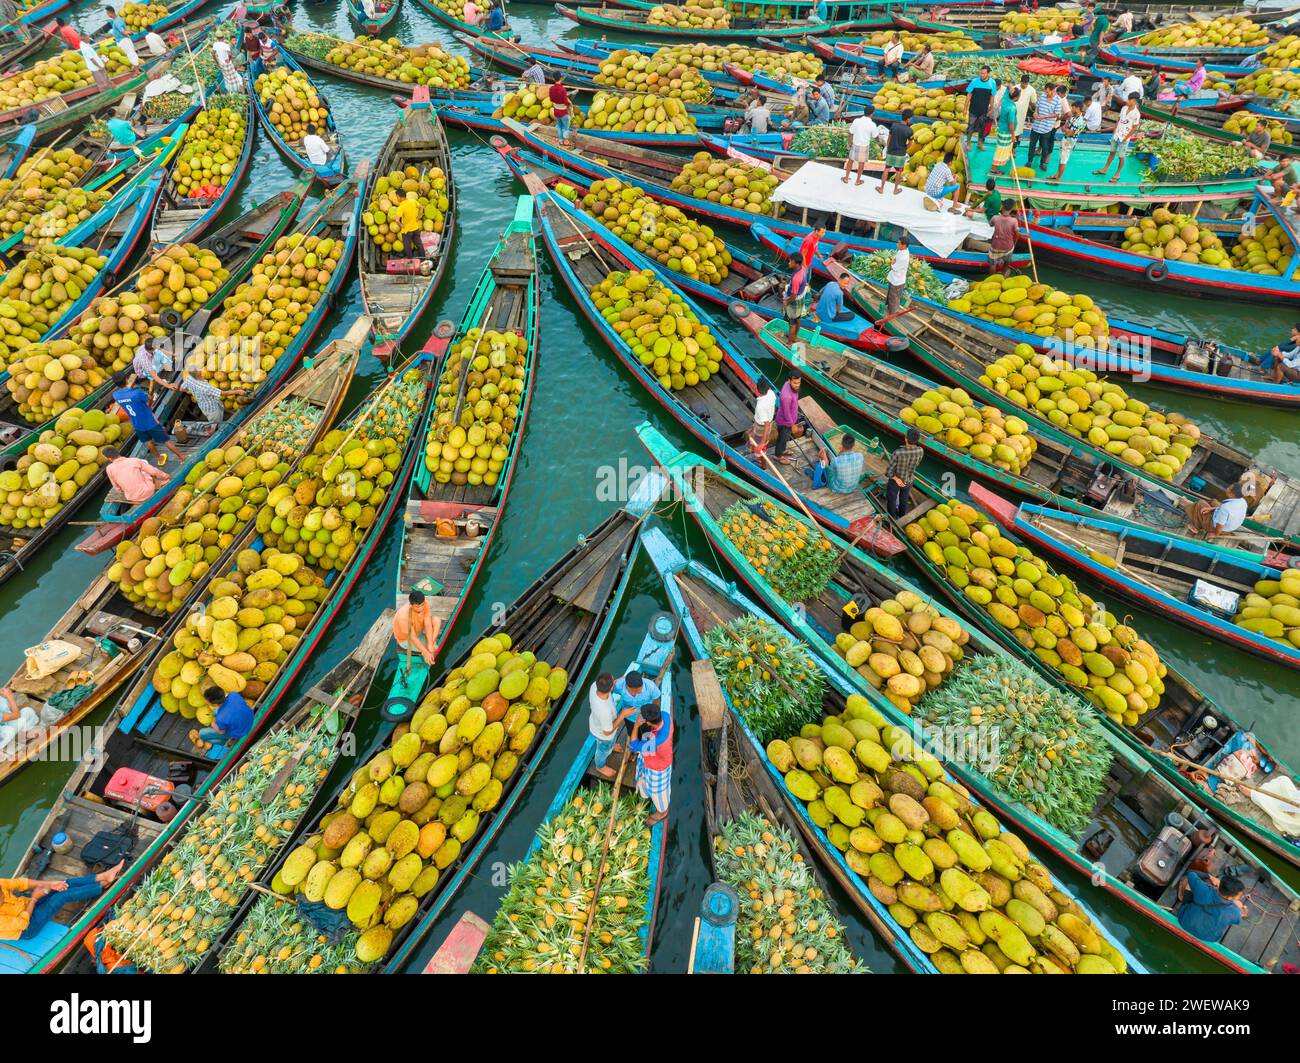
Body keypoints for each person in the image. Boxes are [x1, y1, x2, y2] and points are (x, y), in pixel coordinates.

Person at [0, 862, 124, 943]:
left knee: (63, 884)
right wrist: (34, 899)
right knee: (60, 897)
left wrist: (51, 884)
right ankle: (102, 886)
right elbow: (22, 924)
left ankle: (103, 876)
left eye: (1, 894)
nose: (3, 897)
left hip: (26, 905)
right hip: (27, 927)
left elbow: (22, 883)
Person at [111, 371, 184, 463]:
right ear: (126, 379)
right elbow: (149, 400)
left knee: (148, 442)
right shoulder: (136, 393)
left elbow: (128, 397)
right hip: (150, 422)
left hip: (137, 425)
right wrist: (150, 397)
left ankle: (159, 459)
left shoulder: (115, 395)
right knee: (166, 440)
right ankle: (182, 457)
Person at [628, 703, 672, 825]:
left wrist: (636, 725)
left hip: (658, 768)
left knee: (658, 792)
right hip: (660, 756)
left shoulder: (656, 742)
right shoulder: (666, 716)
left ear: (649, 723)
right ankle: (647, 795)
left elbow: (633, 746)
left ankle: (662, 812)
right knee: (645, 781)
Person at [1175, 871, 1246, 943]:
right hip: (1209, 938)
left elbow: (1191, 873)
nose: (1241, 896)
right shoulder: (1235, 912)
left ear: (1219, 885)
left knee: (1191, 886)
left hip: (1184, 921)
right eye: (1239, 896)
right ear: (1229, 897)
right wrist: (1242, 910)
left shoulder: (1203, 889)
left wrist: (1210, 877)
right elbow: (1238, 920)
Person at [1094, 93, 1141, 182]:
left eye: (1129, 99)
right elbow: (1118, 120)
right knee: (1112, 153)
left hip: (1124, 138)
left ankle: (1117, 174)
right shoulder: (1124, 108)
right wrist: (1115, 130)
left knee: (1121, 157)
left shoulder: (1136, 114)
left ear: (1134, 101)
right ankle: (1105, 169)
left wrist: (1126, 137)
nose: (1127, 101)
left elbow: (1135, 128)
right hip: (1116, 135)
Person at [191, 685, 254, 751]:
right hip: (250, 718)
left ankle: (228, 743)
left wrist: (213, 725)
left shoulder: (220, 719)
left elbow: (221, 732)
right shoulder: (234, 694)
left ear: (214, 704)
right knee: (215, 712)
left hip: (242, 732)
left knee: (202, 733)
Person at [393, 589, 441, 671]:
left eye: (422, 605)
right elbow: (413, 638)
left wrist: (430, 643)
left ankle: (431, 643)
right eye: (418, 606)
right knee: (433, 649)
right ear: (411, 605)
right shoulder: (404, 617)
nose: (421, 608)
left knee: (437, 620)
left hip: (418, 629)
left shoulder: (425, 604)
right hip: (406, 639)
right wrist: (425, 653)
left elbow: (428, 623)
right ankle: (428, 657)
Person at [103, 446, 171, 504]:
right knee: (144, 464)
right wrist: (165, 475)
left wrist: (121, 490)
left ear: (109, 458)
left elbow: (116, 486)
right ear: (118, 452)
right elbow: (153, 472)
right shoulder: (134, 460)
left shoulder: (109, 469)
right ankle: (159, 483)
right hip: (148, 492)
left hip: (131, 497)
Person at [1184, 483, 1249, 538]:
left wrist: (1215, 534)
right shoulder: (1243, 501)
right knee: (1214, 501)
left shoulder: (1225, 508)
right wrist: (1210, 509)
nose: (1227, 488)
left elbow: (1220, 525)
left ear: (1232, 494)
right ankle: (1192, 506)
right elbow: (1225, 509)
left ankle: (1196, 526)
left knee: (1200, 503)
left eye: (1229, 488)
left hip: (1217, 528)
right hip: (1230, 525)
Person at [588, 673, 621, 779]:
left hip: (596, 722)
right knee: (602, 751)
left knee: (610, 745)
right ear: (611, 688)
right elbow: (607, 732)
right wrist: (623, 715)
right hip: (604, 736)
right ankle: (600, 767)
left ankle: (611, 747)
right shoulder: (604, 711)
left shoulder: (594, 686)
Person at [885, 428, 923, 517]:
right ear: (917, 440)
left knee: (892, 499)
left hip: (896, 481)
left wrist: (896, 479)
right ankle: (902, 515)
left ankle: (892, 517)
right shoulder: (920, 450)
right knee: (904, 499)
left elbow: (888, 472)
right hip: (909, 480)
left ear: (906, 438)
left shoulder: (898, 453)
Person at [1025, 82, 1062, 170]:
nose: (1046, 94)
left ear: (1053, 91)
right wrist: (1035, 113)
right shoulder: (1042, 96)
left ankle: (1042, 163)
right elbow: (1037, 107)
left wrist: (1045, 116)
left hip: (1046, 128)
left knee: (1045, 147)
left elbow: (1056, 114)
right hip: (1036, 126)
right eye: (1045, 92)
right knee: (1032, 145)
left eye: (1048, 92)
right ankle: (1029, 161)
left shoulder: (1058, 101)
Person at [879, 108, 914, 195]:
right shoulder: (909, 130)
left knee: (886, 169)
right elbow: (910, 144)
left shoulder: (894, 126)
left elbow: (889, 139)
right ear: (908, 118)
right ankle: (895, 190)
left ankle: (881, 188)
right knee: (899, 171)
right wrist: (905, 148)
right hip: (901, 153)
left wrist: (888, 148)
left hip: (891, 151)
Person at [1051, 98, 1086, 182]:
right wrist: (1067, 130)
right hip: (1065, 140)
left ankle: (1058, 179)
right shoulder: (1072, 117)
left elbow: (1070, 133)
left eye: (1073, 107)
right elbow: (1064, 128)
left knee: (1063, 161)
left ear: (1077, 108)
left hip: (1069, 143)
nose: (1071, 109)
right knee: (1061, 159)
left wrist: (1066, 130)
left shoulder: (1080, 121)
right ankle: (1057, 175)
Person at [0, 686, 40, 757]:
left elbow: (10, 713)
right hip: (4, 731)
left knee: (28, 711)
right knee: (9, 731)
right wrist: (9, 696)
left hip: (3, 726)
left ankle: (23, 736)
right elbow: (16, 715)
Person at [964, 65, 997, 150]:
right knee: (970, 126)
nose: (981, 75)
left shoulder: (992, 83)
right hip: (973, 109)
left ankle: (980, 143)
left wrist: (991, 108)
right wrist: (965, 108)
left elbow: (992, 97)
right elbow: (969, 95)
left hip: (984, 110)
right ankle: (968, 143)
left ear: (988, 74)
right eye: (981, 73)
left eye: (983, 73)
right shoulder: (974, 81)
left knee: (982, 128)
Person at [843, 106, 878, 184]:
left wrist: (849, 142)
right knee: (861, 163)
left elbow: (851, 132)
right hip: (864, 146)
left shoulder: (856, 121)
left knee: (850, 161)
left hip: (855, 144)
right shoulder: (872, 124)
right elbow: (875, 136)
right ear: (872, 114)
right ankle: (857, 180)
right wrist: (878, 140)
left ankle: (846, 178)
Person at [772, 372, 802, 462]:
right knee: (782, 439)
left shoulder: (787, 384)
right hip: (785, 422)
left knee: (785, 438)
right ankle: (778, 456)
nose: (797, 385)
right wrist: (792, 425)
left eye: (799, 382)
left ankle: (783, 450)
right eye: (795, 383)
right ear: (789, 381)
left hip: (790, 420)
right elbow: (786, 413)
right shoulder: (786, 396)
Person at [781, 262, 812, 347]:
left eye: (790, 261)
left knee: (792, 324)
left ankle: (789, 343)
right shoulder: (803, 270)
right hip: (800, 304)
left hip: (793, 303)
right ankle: (794, 337)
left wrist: (786, 303)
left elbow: (793, 296)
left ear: (796, 262)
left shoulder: (795, 279)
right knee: (797, 319)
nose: (789, 263)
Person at [990, 86, 1019, 175]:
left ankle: (996, 164)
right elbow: (1011, 123)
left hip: (1001, 128)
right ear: (1016, 97)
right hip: (1006, 132)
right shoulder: (1012, 108)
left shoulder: (1006, 99)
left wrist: (1010, 88)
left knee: (1001, 147)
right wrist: (1013, 135)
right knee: (1001, 149)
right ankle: (994, 167)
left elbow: (1008, 87)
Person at [988, 200, 1019, 273]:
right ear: (1011, 209)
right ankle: (1003, 274)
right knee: (1007, 264)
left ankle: (991, 280)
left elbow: (991, 224)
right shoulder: (1014, 221)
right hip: (1008, 246)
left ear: (1002, 207)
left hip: (996, 245)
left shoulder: (995, 217)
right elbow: (1017, 233)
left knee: (992, 264)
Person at [395, 188, 425, 257]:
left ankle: (410, 260)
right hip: (415, 227)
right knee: (419, 244)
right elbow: (421, 207)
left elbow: (397, 220)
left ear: (399, 197)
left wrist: (401, 226)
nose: (397, 198)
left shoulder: (401, 207)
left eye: (397, 197)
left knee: (407, 247)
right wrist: (419, 217)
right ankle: (423, 258)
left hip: (407, 231)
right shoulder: (412, 201)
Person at [885, 236, 909, 314]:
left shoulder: (904, 257)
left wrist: (892, 262)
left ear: (904, 245)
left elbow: (894, 266)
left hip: (898, 280)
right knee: (891, 294)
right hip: (895, 278)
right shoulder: (902, 251)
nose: (897, 244)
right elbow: (895, 260)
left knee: (894, 297)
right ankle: (888, 307)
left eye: (898, 243)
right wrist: (894, 261)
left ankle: (891, 313)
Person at [750, 387, 776, 454]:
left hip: (761, 427)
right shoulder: (771, 393)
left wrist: (762, 443)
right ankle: (753, 448)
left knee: (759, 449)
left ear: (758, 391)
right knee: (753, 437)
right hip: (769, 422)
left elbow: (766, 425)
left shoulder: (760, 406)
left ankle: (760, 458)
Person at [549, 77, 572, 143]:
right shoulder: (562, 89)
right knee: (566, 127)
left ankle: (560, 140)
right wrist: (569, 104)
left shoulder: (551, 88)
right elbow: (565, 101)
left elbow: (551, 99)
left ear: (554, 79)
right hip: (563, 111)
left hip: (556, 111)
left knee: (559, 126)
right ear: (561, 79)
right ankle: (566, 141)